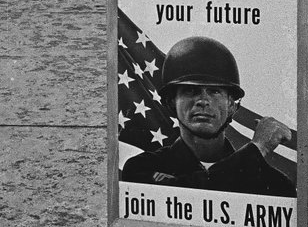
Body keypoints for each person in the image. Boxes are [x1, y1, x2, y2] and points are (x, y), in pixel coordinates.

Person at [122, 36, 295, 197]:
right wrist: (258, 149)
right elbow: (198, 194)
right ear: (171, 103)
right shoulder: (141, 169)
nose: (203, 101)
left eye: (214, 91)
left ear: (232, 106)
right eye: (190, 90)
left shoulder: (274, 184)